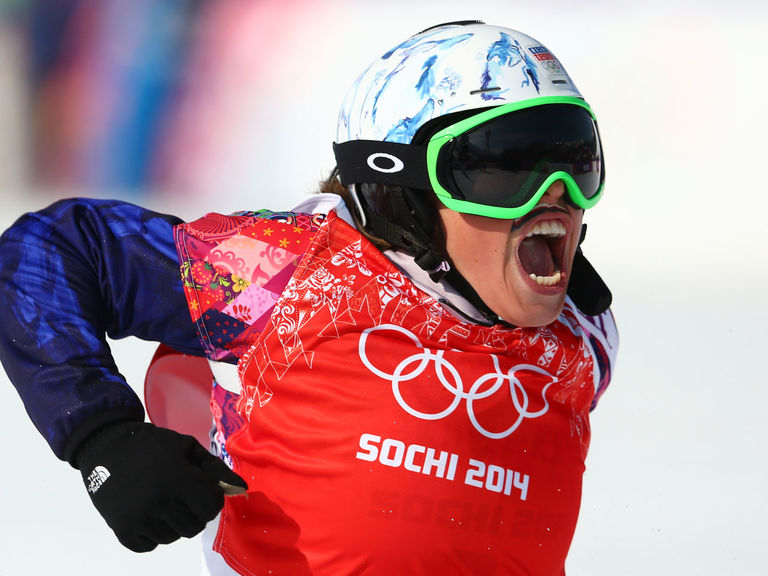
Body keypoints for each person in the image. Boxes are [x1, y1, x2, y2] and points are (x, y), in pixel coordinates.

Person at [0, 21, 618, 575]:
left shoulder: (585, 337)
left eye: (575, 160)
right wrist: (103, 436)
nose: (557, 194)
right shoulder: (297, 274)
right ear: (398, 188)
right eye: (504, 169)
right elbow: (51, 250)